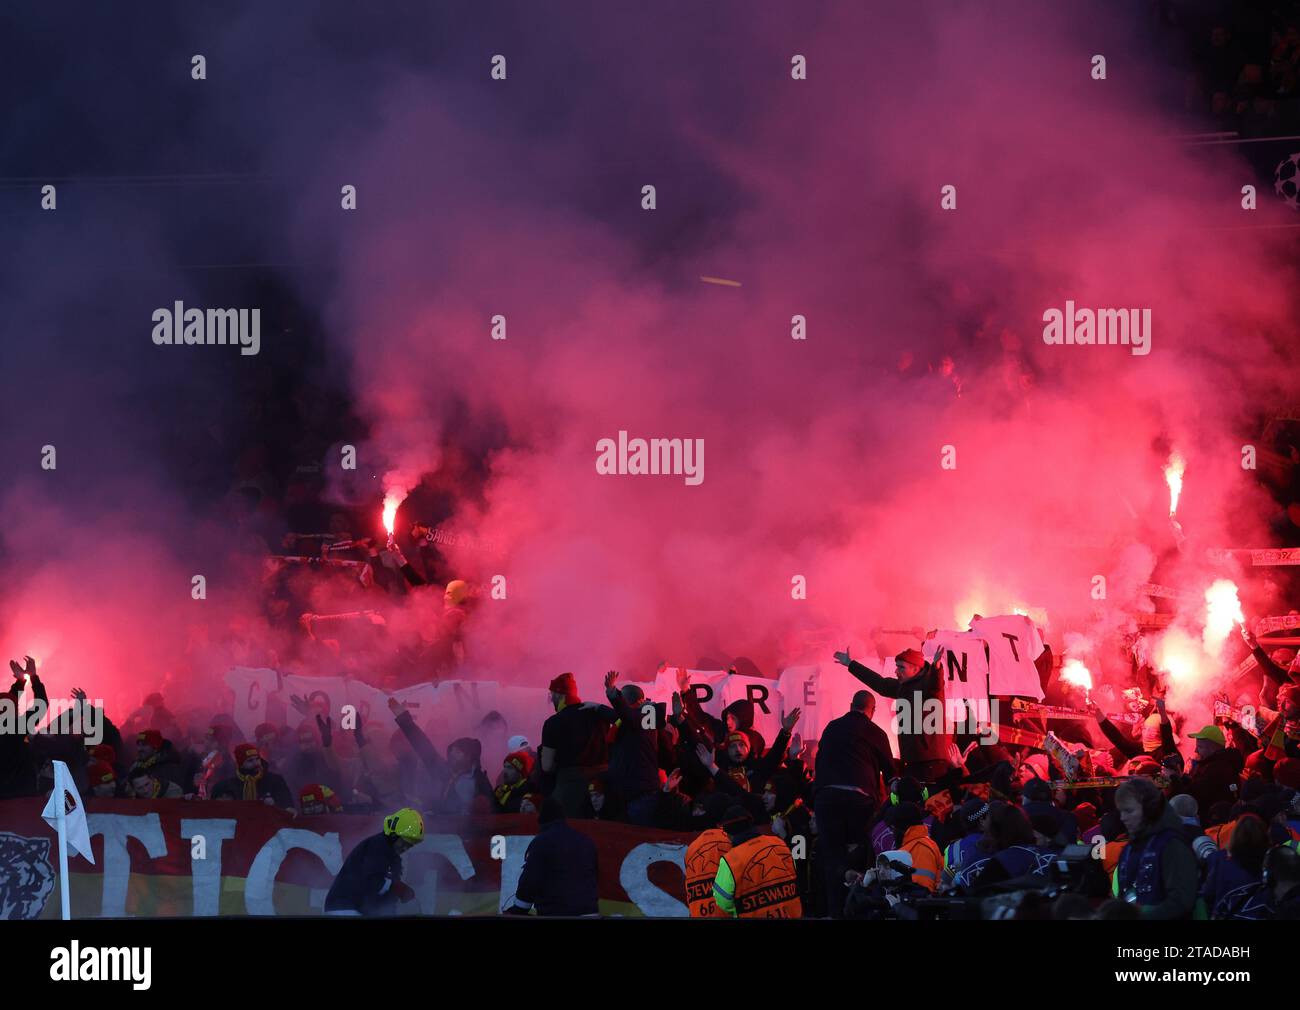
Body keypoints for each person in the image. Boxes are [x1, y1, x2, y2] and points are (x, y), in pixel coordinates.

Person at [813, 690, 895, 917]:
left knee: (832, 855)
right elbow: (890, 772)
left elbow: (820, 762)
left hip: (827, 798)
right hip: (860, 800)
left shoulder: (831, 727)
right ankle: (860, 909)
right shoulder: (876, 732)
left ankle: (835, 912)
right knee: (863, 852)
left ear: (851, 705)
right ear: (873, 710)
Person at [833, 646, 954, 782]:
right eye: (897, 667)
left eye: (901, 667)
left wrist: (936, 667)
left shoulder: (927, 685)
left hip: (931, 763)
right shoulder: (901, 687)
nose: (896, 671)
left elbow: (935, 684)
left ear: (915, 669)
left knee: (930, 801)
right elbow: (879, 683)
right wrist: (851, 664)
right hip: (912, 763)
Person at [1113, 776, 1198, 919]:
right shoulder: (1129, 849)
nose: (1123, 818)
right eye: (1121, 811)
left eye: (1129, 811)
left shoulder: (1172, 845)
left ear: (1149, 809)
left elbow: (1182, 900)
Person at [506, 798, 599, 916]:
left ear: (542, 820)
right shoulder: (586, 841)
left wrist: (519, 908)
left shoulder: (542, 842)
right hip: (589, 911)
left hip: (557, 913)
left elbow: (530, 879)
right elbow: (594, 875)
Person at [324, 807, 423, 915]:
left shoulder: (391, 856)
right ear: (394, 835)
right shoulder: (378, 846)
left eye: (409, 846)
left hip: (352, 908)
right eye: (404, 843)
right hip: (345, 908)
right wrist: (396, 887)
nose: (405, 848)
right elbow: (371, 880)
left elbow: (384, 896)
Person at [539, 673, 612, 816]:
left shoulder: (553, 722)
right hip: (601, 786)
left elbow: (546, 766)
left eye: (552, 694)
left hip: (570, 788)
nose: (551, 699)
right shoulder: (597, 713)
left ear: (560, 695)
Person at [713, 806, 802, 918]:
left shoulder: (730, 860)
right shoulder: (779, 843)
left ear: (728, 834)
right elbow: (793, 875)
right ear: (751, 824)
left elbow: (722, 901)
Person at [601, 670, 662, 825]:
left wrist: (613, 693)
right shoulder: (627, 720)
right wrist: (597, 708)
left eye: (623, 701)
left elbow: (628, 717)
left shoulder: (648, 715)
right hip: (627, 790)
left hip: (641, 792)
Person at [210, 743, 294, 808]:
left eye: (257, 759)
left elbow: (288, 806)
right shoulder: (226, 785)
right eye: (250, 761)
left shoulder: (275, 780)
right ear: (241, 764)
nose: (256, 763)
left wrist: (275, 803)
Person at [1186, 724, 1245, 813]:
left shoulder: (1214, 769)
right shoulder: (1222, 764)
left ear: (1213, 748)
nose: (1196, 750)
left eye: (1200, 747)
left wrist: (1181, 777)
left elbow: (1193, 794)